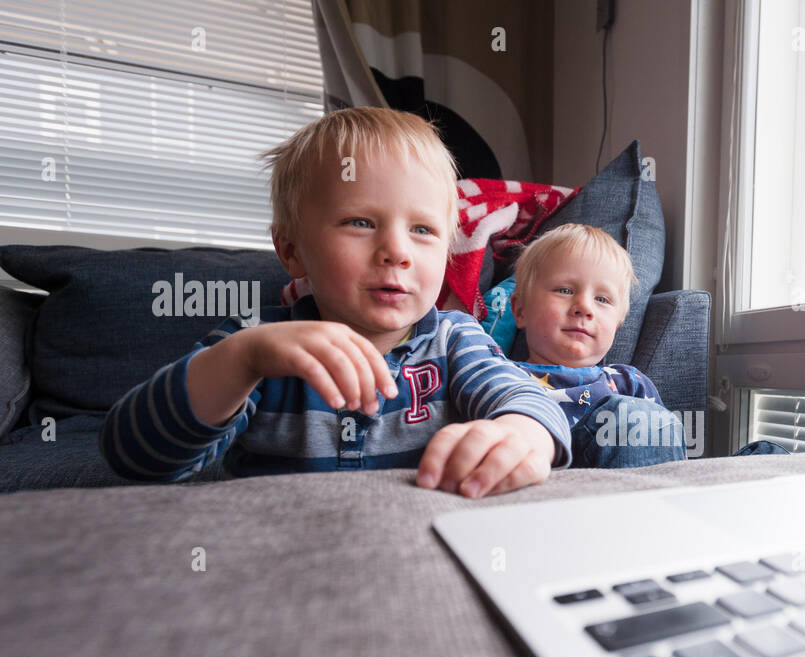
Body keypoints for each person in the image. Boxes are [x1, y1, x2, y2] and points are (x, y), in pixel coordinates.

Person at [100, 107, 570, 498]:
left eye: (423, 230)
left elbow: (527, 396)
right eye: (360, 222)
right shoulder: (259, 345)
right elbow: (134, 456)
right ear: (291, 251)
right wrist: (241, 360)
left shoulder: (455, 340)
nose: (397, 251)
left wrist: (523, 433)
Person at [510, 223, 686, 468]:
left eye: (602, 299)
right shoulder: (500, 375)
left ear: (617, 323)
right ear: (520, 310)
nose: (584, 307)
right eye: (564, 290)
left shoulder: (629, 383)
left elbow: (665, 446)